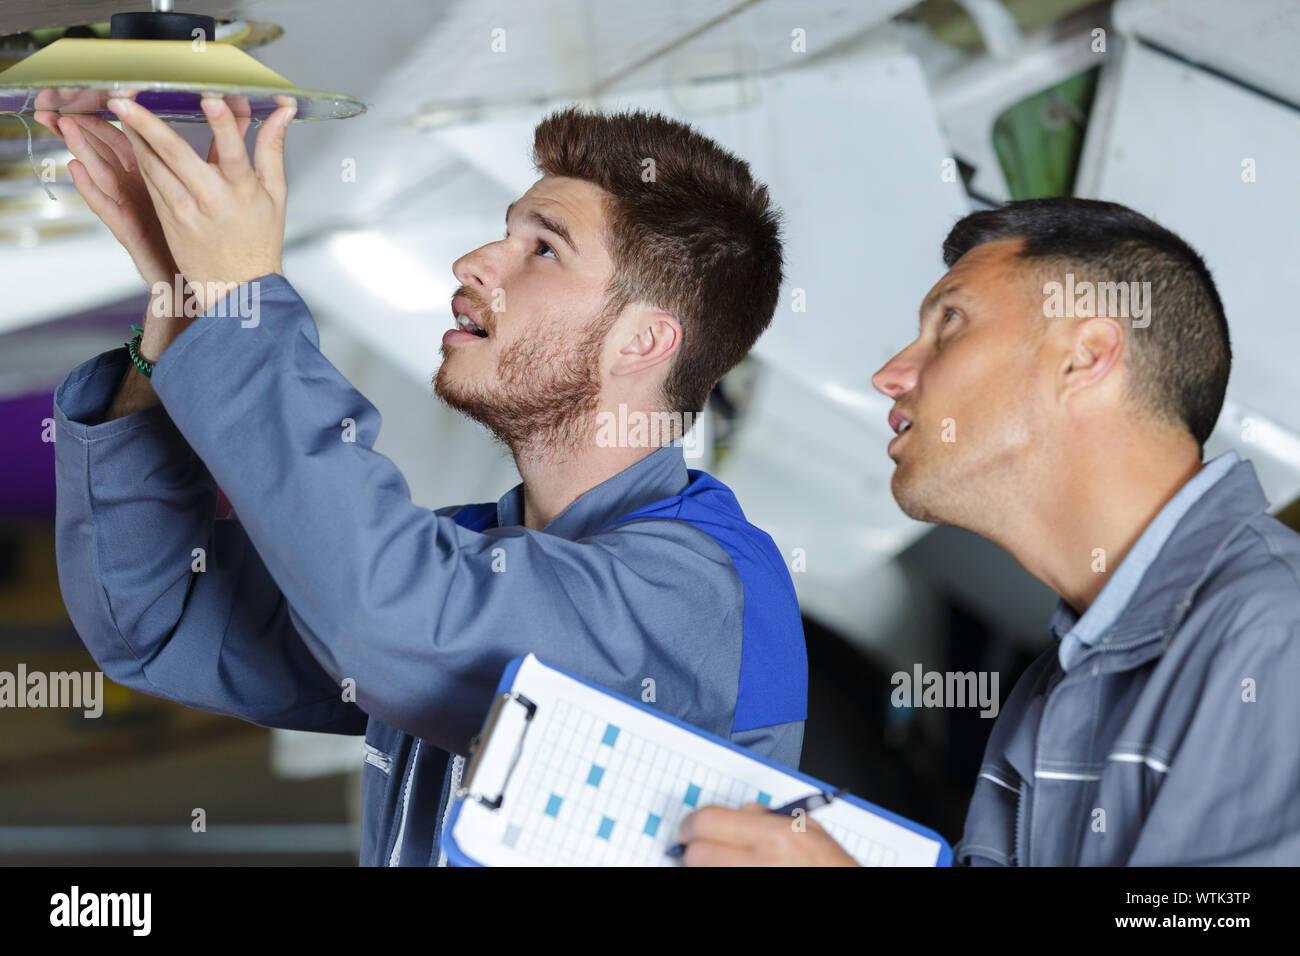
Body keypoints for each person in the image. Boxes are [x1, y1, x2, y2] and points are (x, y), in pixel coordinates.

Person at [46, 99, 807, 866]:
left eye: (542, 249)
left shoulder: (700, 595)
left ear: (642, 341)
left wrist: (243, 309)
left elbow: (388, 616)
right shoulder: (475, 556)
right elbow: (154, 614)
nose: (474, 262)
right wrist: (182, 309)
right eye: (506, 231)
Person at [678, 198, 1300, 866]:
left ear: (1084, 357)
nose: (891, 375)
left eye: (950, 323)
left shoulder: (1272, 635)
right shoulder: (1051, 690)